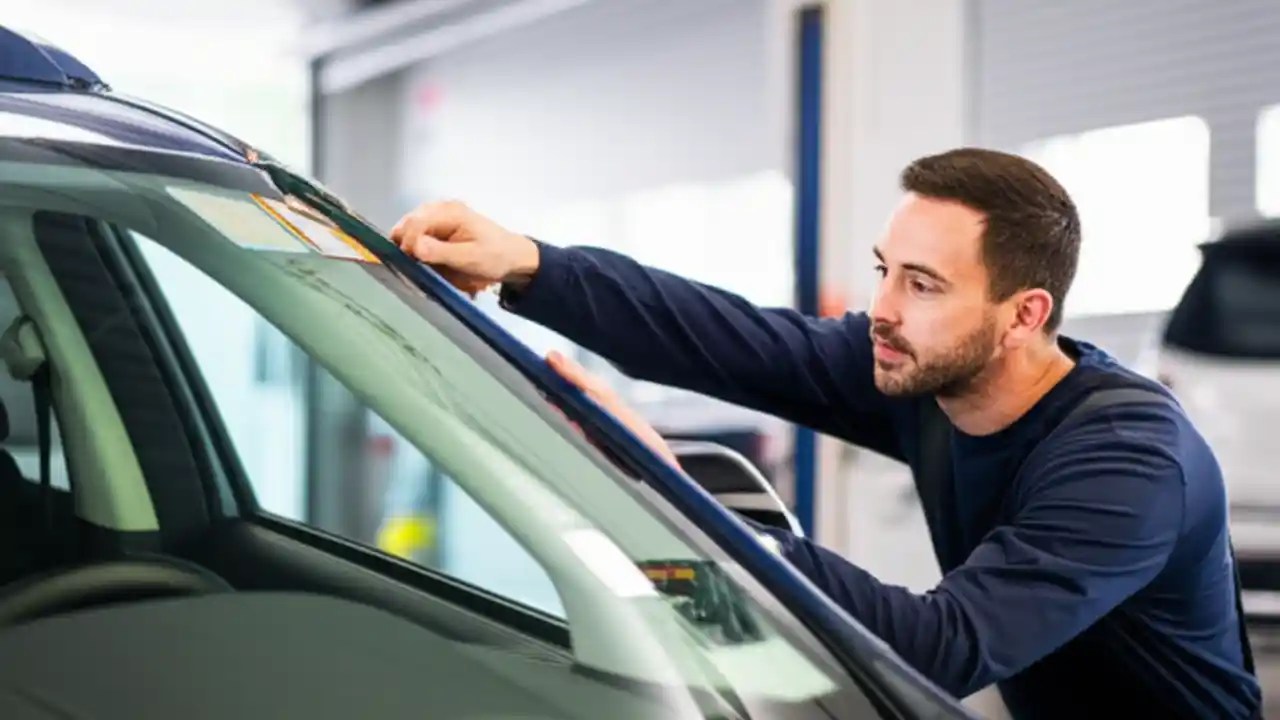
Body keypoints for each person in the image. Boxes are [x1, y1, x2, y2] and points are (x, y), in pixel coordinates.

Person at [390, 147, 1262, 719]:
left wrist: (673, 496)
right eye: (886, 272)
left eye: (921, 284)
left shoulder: (1127, 462)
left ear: (1022, 313)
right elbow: (725, 337)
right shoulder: (921, 365)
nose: (881, 311)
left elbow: (939, 650)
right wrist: (531, 266)